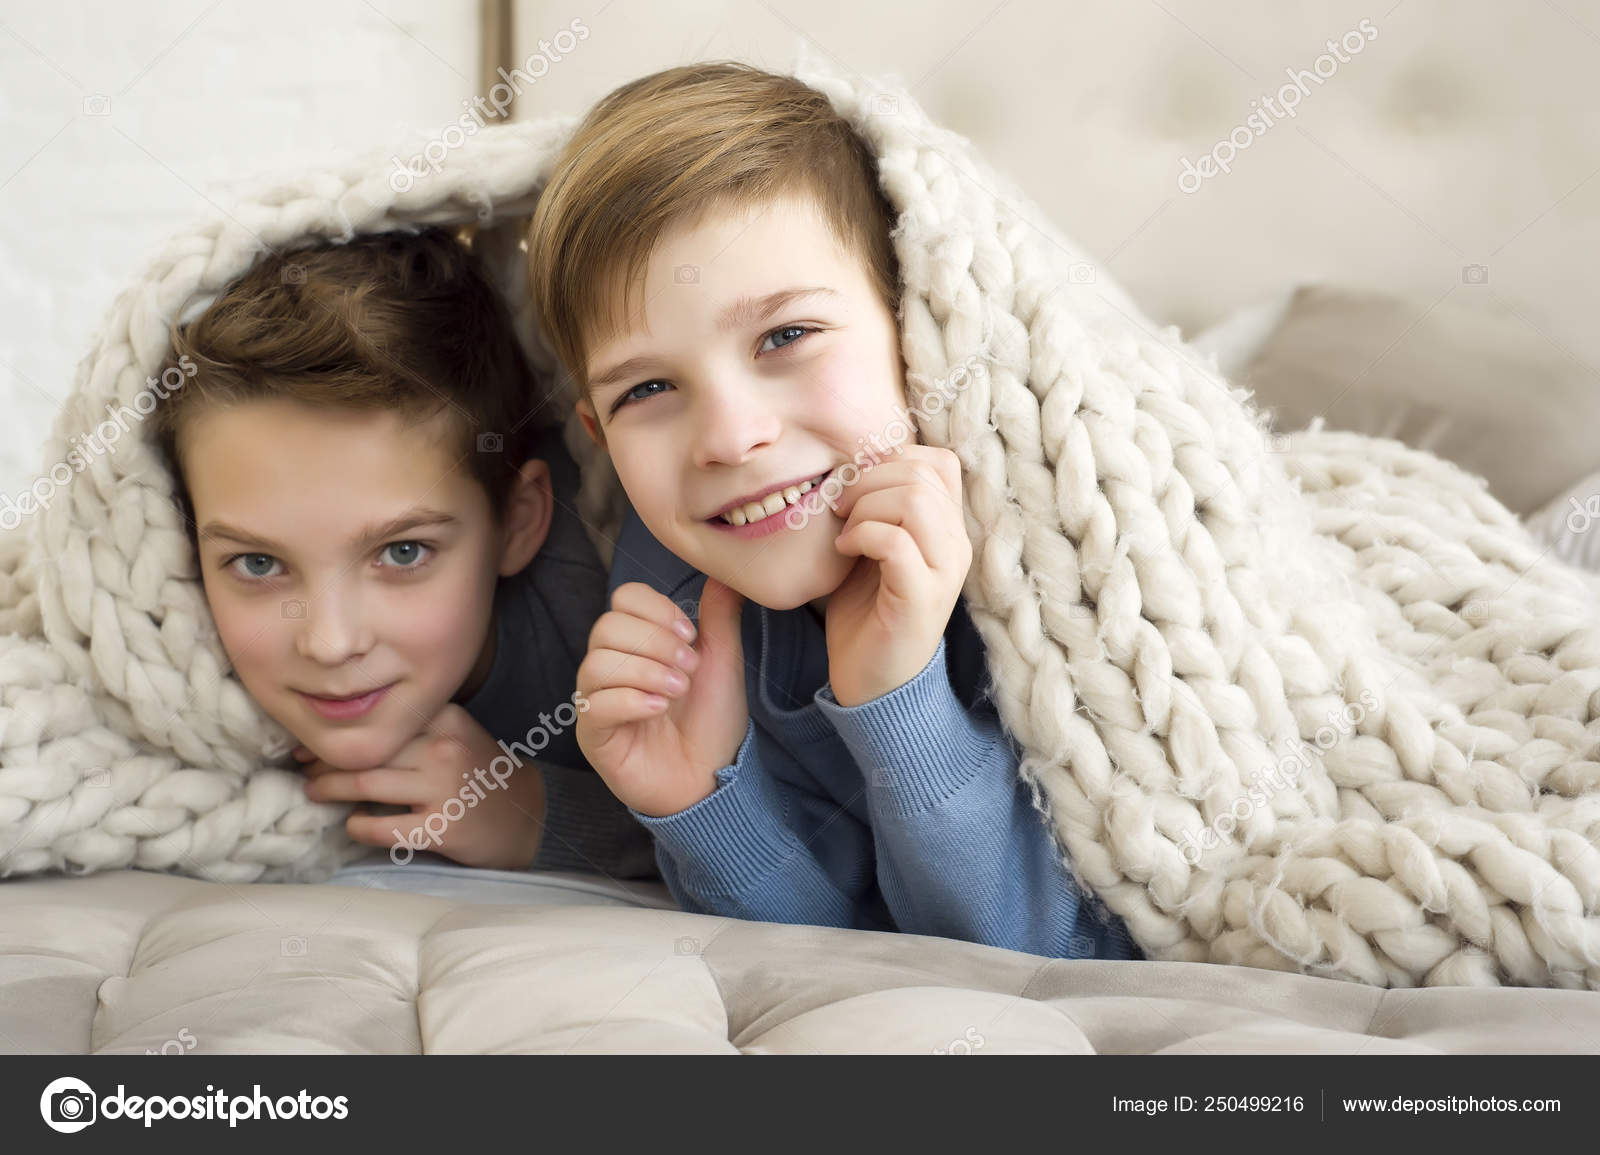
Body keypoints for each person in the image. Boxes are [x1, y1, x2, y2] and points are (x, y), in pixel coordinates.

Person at [526, 62, 1141, 958]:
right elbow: (839, 951)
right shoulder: (676, 580)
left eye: (786, 336)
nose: (730, 439)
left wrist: (904, 701)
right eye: (649, 388)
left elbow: (1066, 956)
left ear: (917, 323)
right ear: (600, 433)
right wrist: (699, 801)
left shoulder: (1056, 550)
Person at [152, 227, 657, 880]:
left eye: (403, 551)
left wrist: (535, 809)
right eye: (258, 563)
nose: (331, 644)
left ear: (518, 520)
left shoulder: (626, 600)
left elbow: (803, 825)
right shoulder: (160, 637)